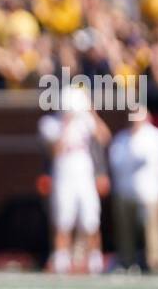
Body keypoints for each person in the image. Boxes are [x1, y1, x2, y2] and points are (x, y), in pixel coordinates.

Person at [39, 86, 110, 273]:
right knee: (63, 217)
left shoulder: (85, 121)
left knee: (90, 217)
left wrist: (91, 112)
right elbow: (56, 151)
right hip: (63, 171)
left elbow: (104, 137)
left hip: (84, 171)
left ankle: (95, 259)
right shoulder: (50, 124)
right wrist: (66, 123)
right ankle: (62, 259)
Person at [107, 110, 158, 271]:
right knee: (125, 232)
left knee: (152, 231)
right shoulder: (121, 138)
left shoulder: (155, 137)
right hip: (124, 192)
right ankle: (127, 262)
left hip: (149, 193)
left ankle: (154, 263)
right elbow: (116, 164)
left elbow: (147, 160)